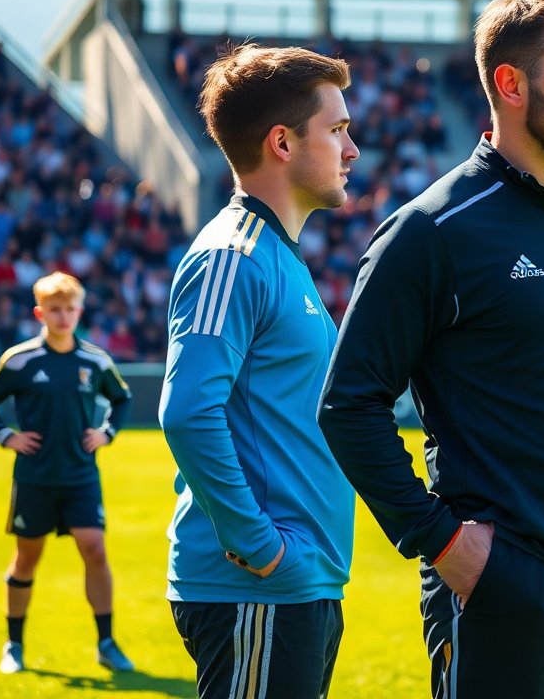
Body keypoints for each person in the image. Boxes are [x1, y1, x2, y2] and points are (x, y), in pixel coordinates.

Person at [318, 0, 544, 699]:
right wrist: (442, 543)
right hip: (510, 592)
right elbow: (349, 405)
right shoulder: (431, 231)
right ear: (511, 84)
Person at [158, 44, 359, 699]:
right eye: (337, 130)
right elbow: (188, 410)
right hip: (258, 586)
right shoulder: (232, 255)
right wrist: (261, 547)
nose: (352, 150)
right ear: (282, 142)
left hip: (298, 583)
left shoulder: (277, 254)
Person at [0, 271, 134, 675]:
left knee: (95, 550)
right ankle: (14, 644)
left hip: (81, 475)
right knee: (27, 557)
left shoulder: (95, 360)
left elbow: (122, 398)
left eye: (70, 309)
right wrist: (5, 436)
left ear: (80, 311)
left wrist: (107, 432)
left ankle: (107, 643)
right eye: (55, 310)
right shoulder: (20, 359)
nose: (63, 316)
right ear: (39, 313)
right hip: (35, 476)